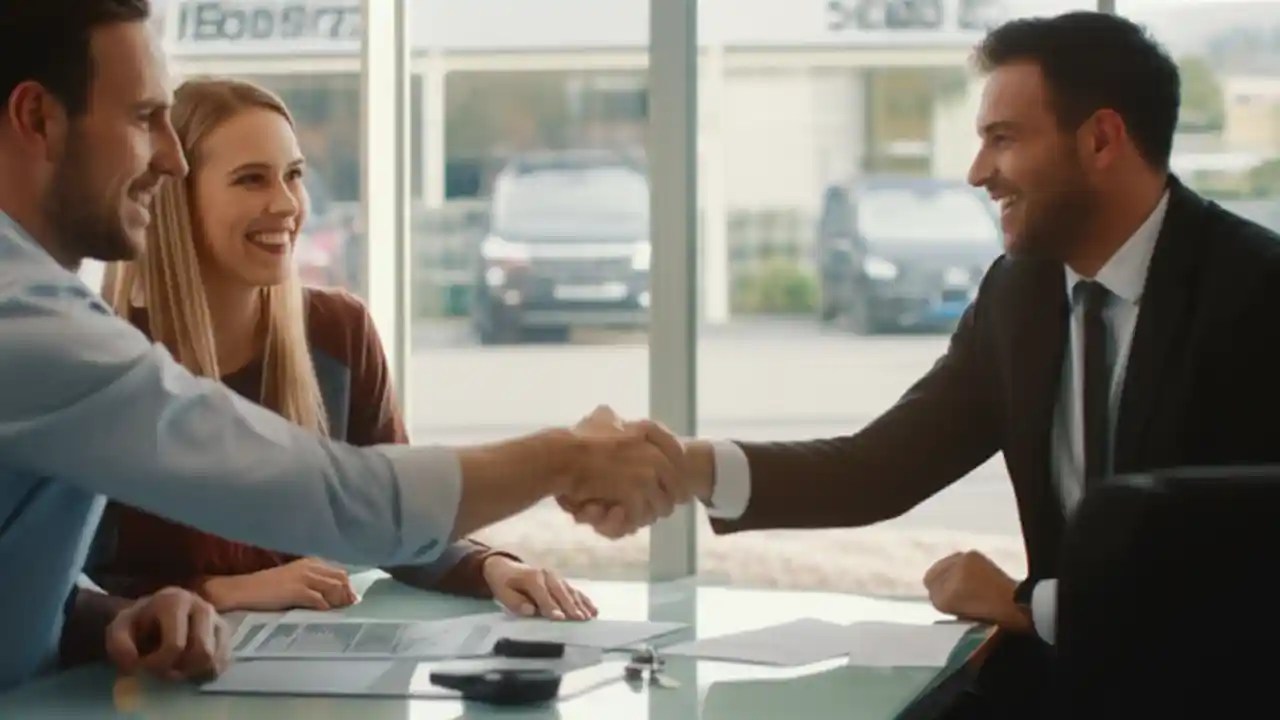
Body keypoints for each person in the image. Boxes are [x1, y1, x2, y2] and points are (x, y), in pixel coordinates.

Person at [575, 11, 1280, 718]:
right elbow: (880, 467)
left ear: (1100, 139)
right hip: (1057, 686)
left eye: (1002, 140)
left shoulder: (1255, 292)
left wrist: (1023, 603)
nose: (978, 174)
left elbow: (1246, 572)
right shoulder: (1020, 293)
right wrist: (687, 465)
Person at [0, 0, 682, 692]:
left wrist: (123, 613)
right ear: (37, 119)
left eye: (293, 174)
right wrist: (565, 458)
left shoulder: (53, 316)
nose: (168, 157)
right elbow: (348, 500)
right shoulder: (34, 327)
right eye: (144, 118)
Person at [89, 77, 595, 622]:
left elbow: (392, 524)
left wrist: (493, 567)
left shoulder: (338, 330)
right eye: (251, 180)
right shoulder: (111, 359)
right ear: (176, 201)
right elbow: (70, 583)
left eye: (294, 176)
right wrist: (219, 592)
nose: (286, 204)